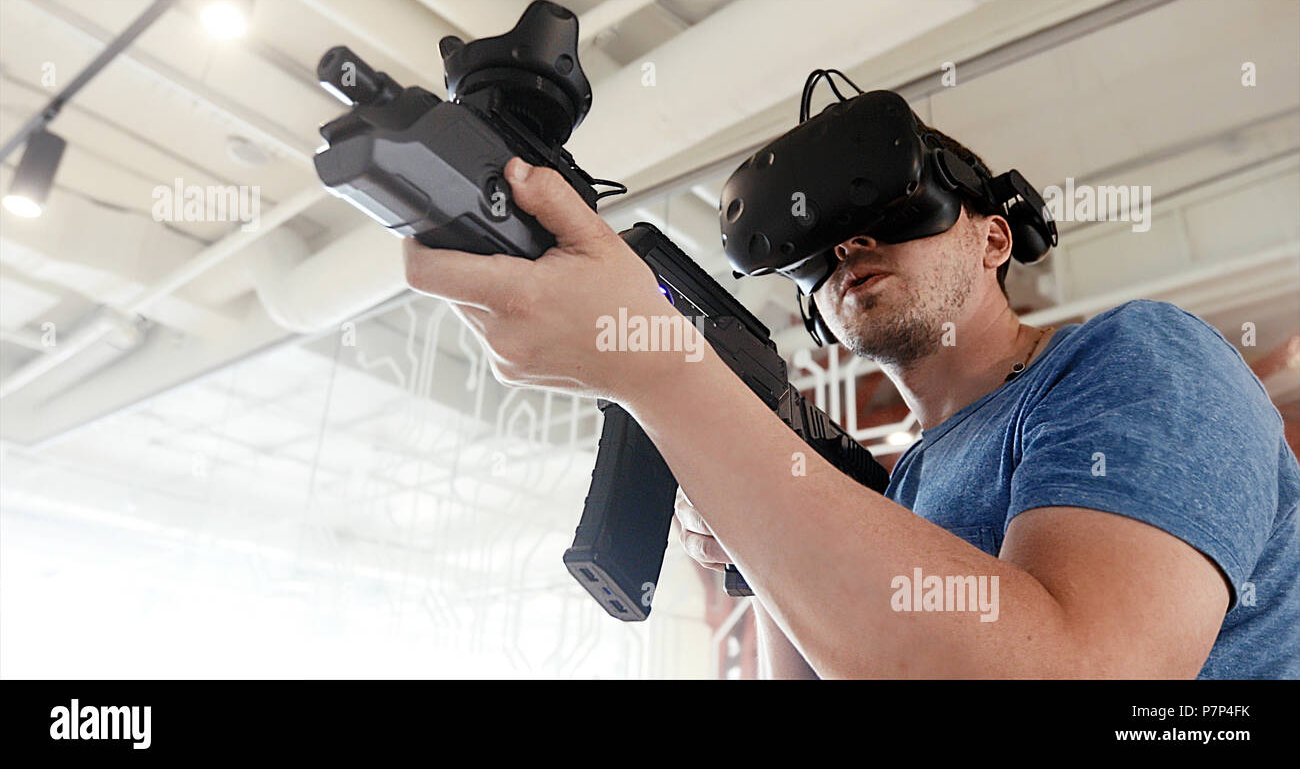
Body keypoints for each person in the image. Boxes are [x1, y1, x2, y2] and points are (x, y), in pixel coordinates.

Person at [402, 145, 1300, 679]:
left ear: (994, 237)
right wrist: (760, 536)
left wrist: (665, 372)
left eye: (894, 207)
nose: (850, 244)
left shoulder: (1137, 354)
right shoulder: (898, 486)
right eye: (813, 248)